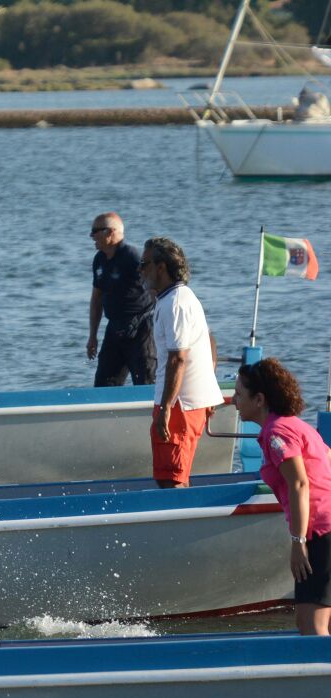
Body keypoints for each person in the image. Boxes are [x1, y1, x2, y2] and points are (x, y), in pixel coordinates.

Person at [232, 359, 331, 635]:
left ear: (260, 399)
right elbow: (326, 456)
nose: (233, 400)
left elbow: (299, 483)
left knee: (312, 628)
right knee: (313, 623)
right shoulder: (293, 424)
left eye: (239, 394)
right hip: (325, 525)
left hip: (320, 532)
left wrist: (298, 542)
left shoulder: (277, 433)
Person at [142, 237, 220, 488]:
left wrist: (165, 408)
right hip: (186, 402)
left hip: (179, 405)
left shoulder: (174, 303)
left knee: (170, 480)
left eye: (144, 264)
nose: (140, 271)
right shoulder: (181, 298)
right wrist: (207, 389)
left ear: (161, 267)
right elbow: (209, 341)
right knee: (175, 475)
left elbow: (178, 357)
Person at [87, 212, 157, 386]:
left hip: (141, 327)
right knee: (104, 384)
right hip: (115, 328)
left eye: (95, 231)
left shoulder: (133, 257)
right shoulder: (99, 259)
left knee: (145, 381)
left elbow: (156, 289)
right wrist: (92, 336)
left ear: (110, 232)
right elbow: (96, 299)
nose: (91, 236)